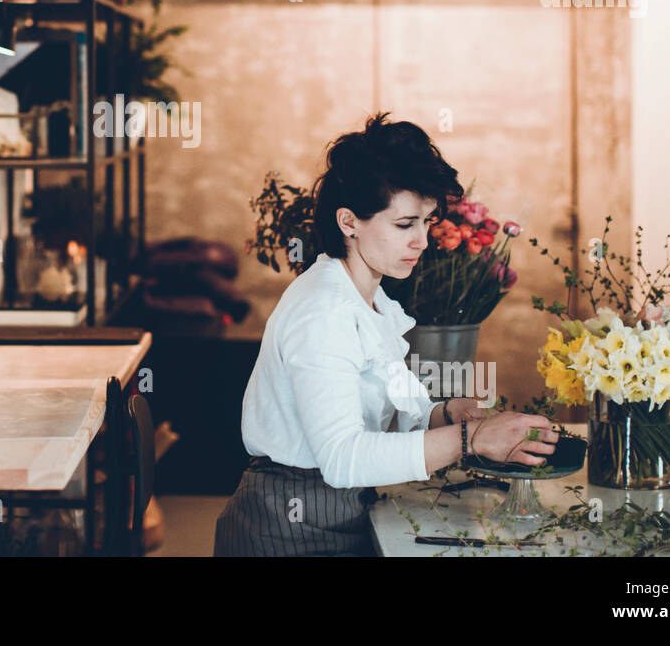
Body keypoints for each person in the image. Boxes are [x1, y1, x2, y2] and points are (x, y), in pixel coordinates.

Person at [214, 112, 556, 556]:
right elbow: (343, 457)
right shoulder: (325, 312)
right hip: (289, 524)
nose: (422, 241)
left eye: (427, 223)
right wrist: (470, 442)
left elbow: (397, 402)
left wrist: (451, 414)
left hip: (342, 510)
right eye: (404, 225)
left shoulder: (370, 301)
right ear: (349, 222)